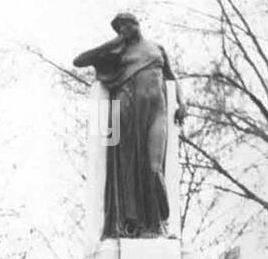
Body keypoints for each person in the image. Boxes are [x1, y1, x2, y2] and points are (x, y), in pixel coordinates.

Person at [72, 12, 186, 239]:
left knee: (155, 166)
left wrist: (182, 103)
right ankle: (144, 225)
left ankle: (160, 223)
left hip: (157, 111)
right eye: (120, 27)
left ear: (136, 24)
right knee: (131, 165)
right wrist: (113, 43)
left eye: (127, 25)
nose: (124, 29)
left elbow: (171, 78)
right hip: (128, 109)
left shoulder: (157, 48)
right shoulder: (119, 51)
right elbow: (79, 61)